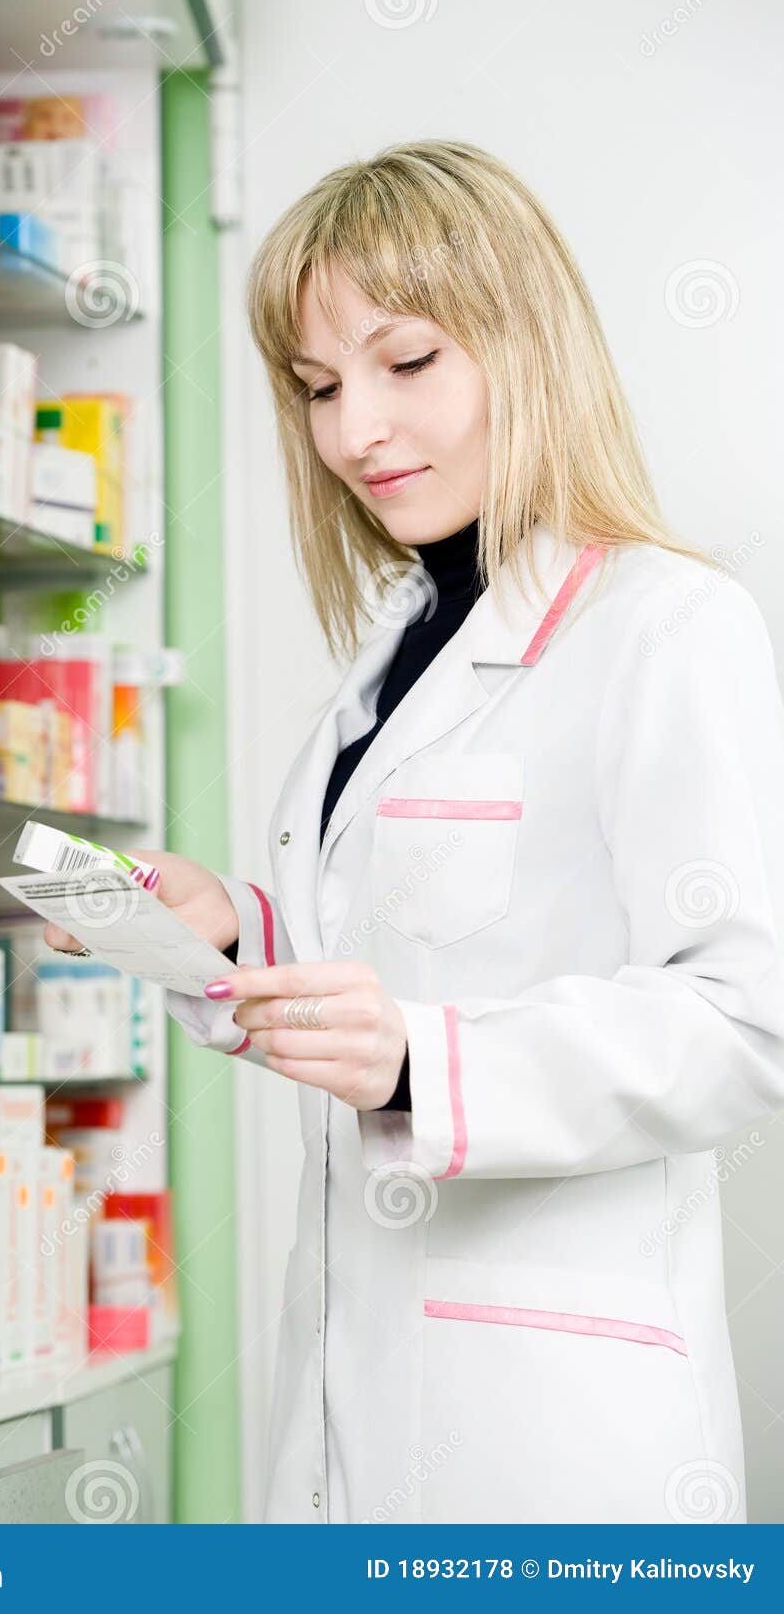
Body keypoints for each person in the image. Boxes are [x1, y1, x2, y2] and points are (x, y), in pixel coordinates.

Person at [44, 140, 784, 1524]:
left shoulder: (662, 625)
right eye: (318, 388)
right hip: (346, 1384)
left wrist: (423, 1063)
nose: (354, 432)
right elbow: (411, 949)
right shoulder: (398, 643)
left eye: (406, 364)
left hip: (552, 1435)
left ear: (524, 342)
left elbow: (746, 1022)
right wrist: (231, 932)